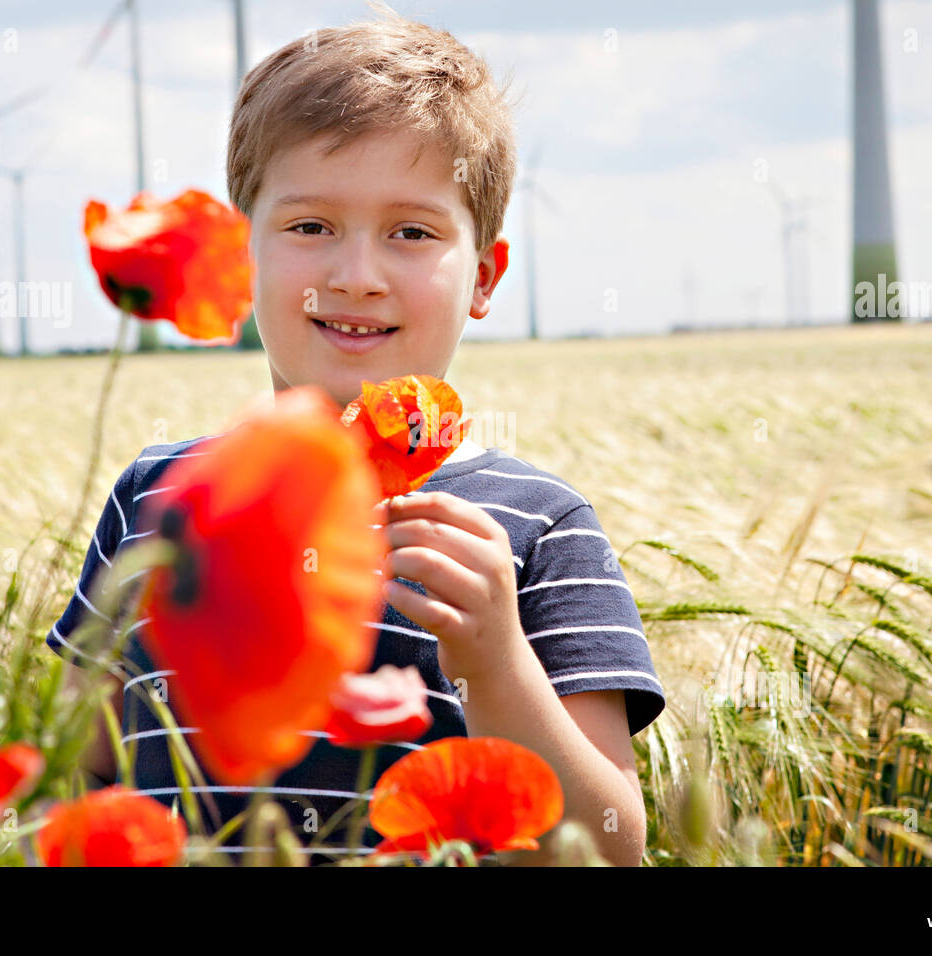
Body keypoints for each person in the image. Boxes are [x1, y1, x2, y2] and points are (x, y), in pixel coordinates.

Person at [47, 2, 665, 867]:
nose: (357, 276)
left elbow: (608, 845)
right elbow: (77, 774)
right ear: (243, 252)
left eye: (412, 233)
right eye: (310, 227)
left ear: (484, 277)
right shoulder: (157, 496)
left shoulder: (535, 529)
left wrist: (492, 661)